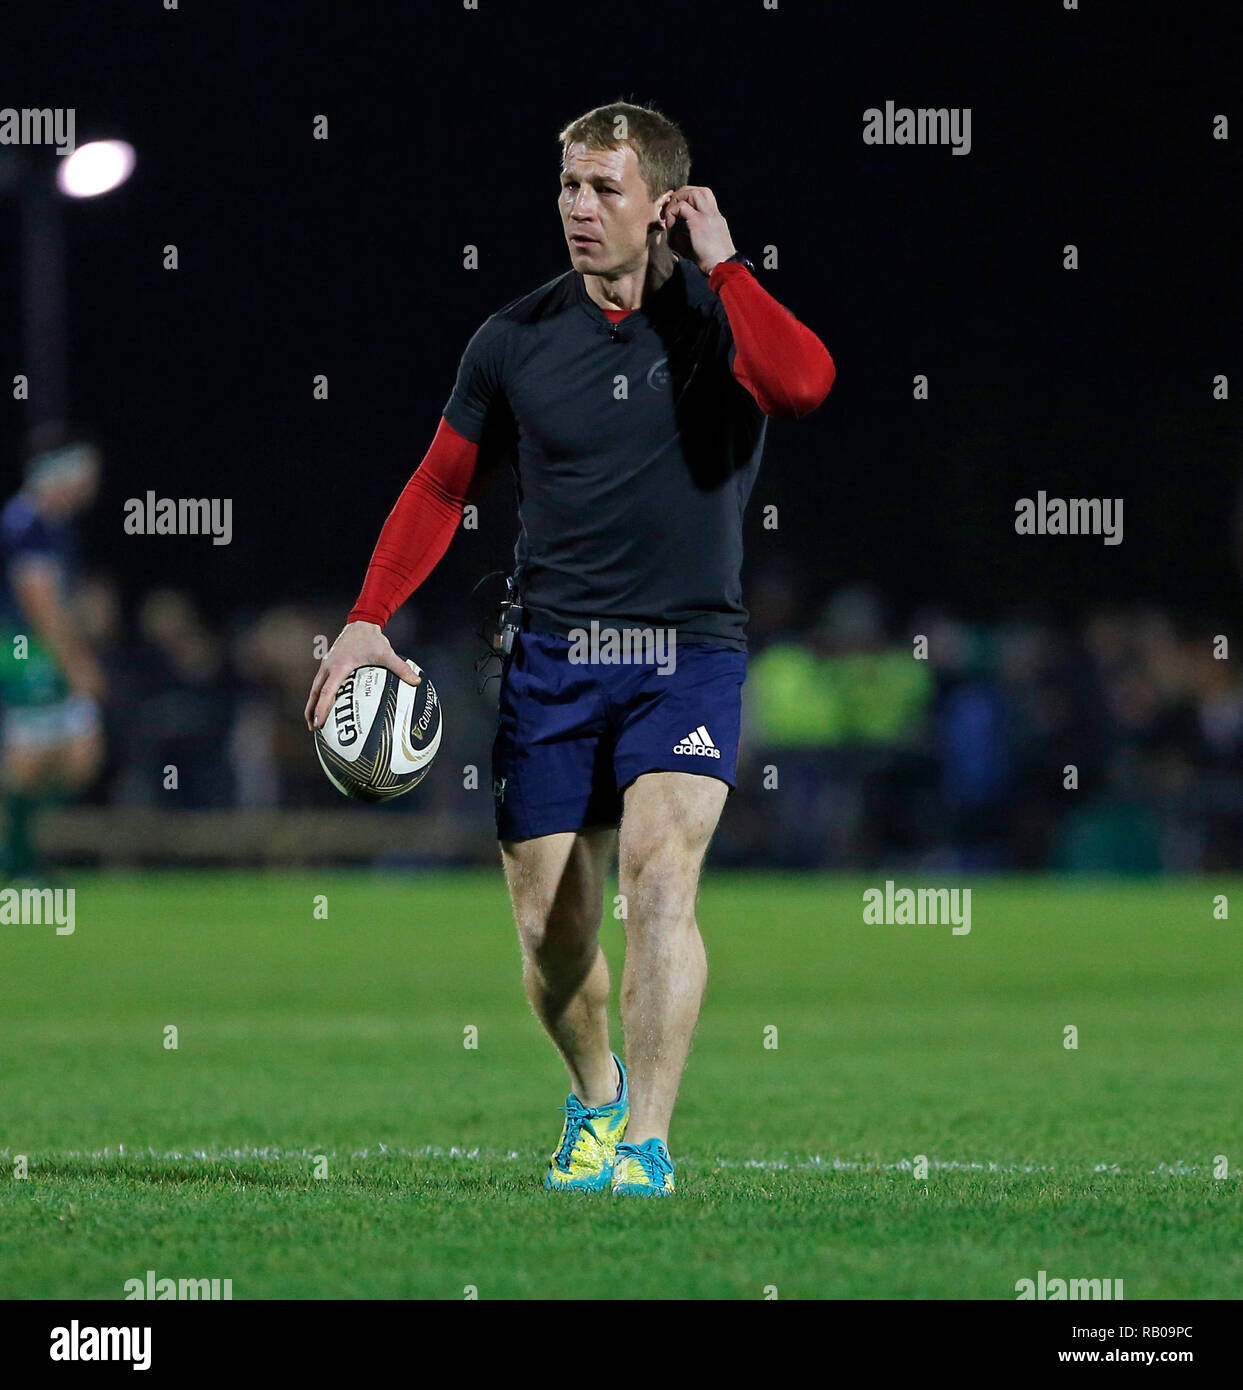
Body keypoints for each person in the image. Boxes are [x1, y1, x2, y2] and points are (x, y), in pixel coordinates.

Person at [306, 102, 835, 1196]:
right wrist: (367, 615)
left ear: (664, 204)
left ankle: (646, 1142)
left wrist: (728, 264)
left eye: (603, 187)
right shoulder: (513, 340)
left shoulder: (722, 321)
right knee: (551, 931)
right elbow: (440, 486)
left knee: (660, 877)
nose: (578, 207)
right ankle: (595, 1095)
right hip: (550, 660)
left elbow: (803, 384)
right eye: (567, 186)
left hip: (686, 652)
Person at [0, 439, 106, 880]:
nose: (91, 485)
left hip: (42, 650)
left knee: (79, 757)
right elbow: (39, 604)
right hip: (23, 652)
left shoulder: (54, 524)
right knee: (28, 762)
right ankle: (17, 857)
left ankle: (18, 851)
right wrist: (77, 663)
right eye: (86, 474)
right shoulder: (27, 524)